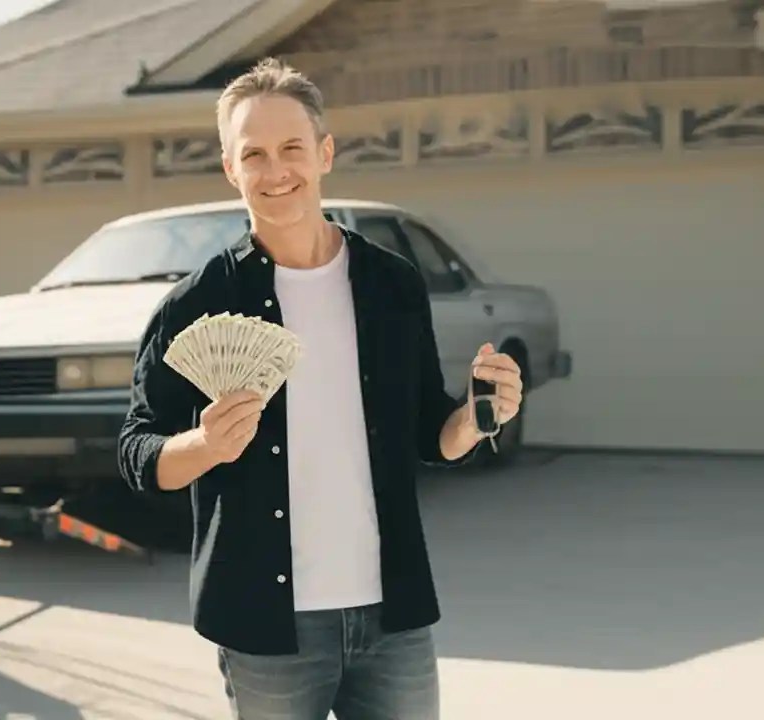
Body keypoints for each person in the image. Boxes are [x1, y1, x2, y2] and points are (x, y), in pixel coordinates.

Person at [117, 57, 525, 719]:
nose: (275, 172)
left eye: (291, 149)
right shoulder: (198, 303)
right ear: (230, 168)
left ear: (325, 153)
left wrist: (479, 418)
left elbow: (432, 434)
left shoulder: (391, 284)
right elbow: (137, 455)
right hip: (265, 630)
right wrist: (204, 444)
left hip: (393, 618)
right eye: (253, 154)